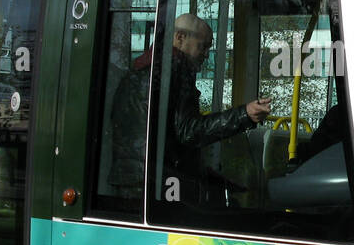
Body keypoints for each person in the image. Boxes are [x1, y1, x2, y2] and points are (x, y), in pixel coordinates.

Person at [108, 14, 270, 202]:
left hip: (128, 181)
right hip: (162, 182)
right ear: (180, 38)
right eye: (203, 46)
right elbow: (189, 131)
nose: (206, 54)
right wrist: (244, 114)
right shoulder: (176, 69)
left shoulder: (139, 70)